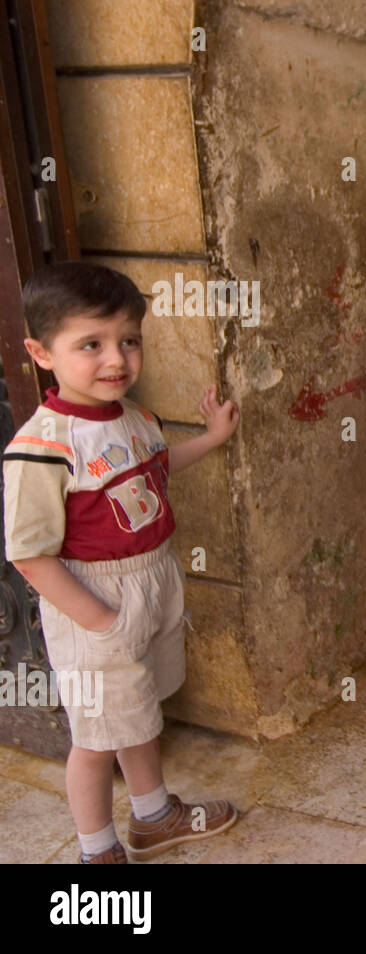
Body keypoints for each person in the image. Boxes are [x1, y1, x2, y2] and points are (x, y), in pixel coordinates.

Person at [4, 261, 240, 863]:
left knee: (137, 716)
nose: (117, 359)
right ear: (41, 351)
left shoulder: (133, 417)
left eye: (128, 341)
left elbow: (156, 469)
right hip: (94, 602)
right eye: (92, 344)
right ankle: (96, 851)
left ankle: (154, 816)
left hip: (152, 584)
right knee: (95, 740)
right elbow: (30, 554)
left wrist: (211, 438)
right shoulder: (43, 446)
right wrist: (101, 620)